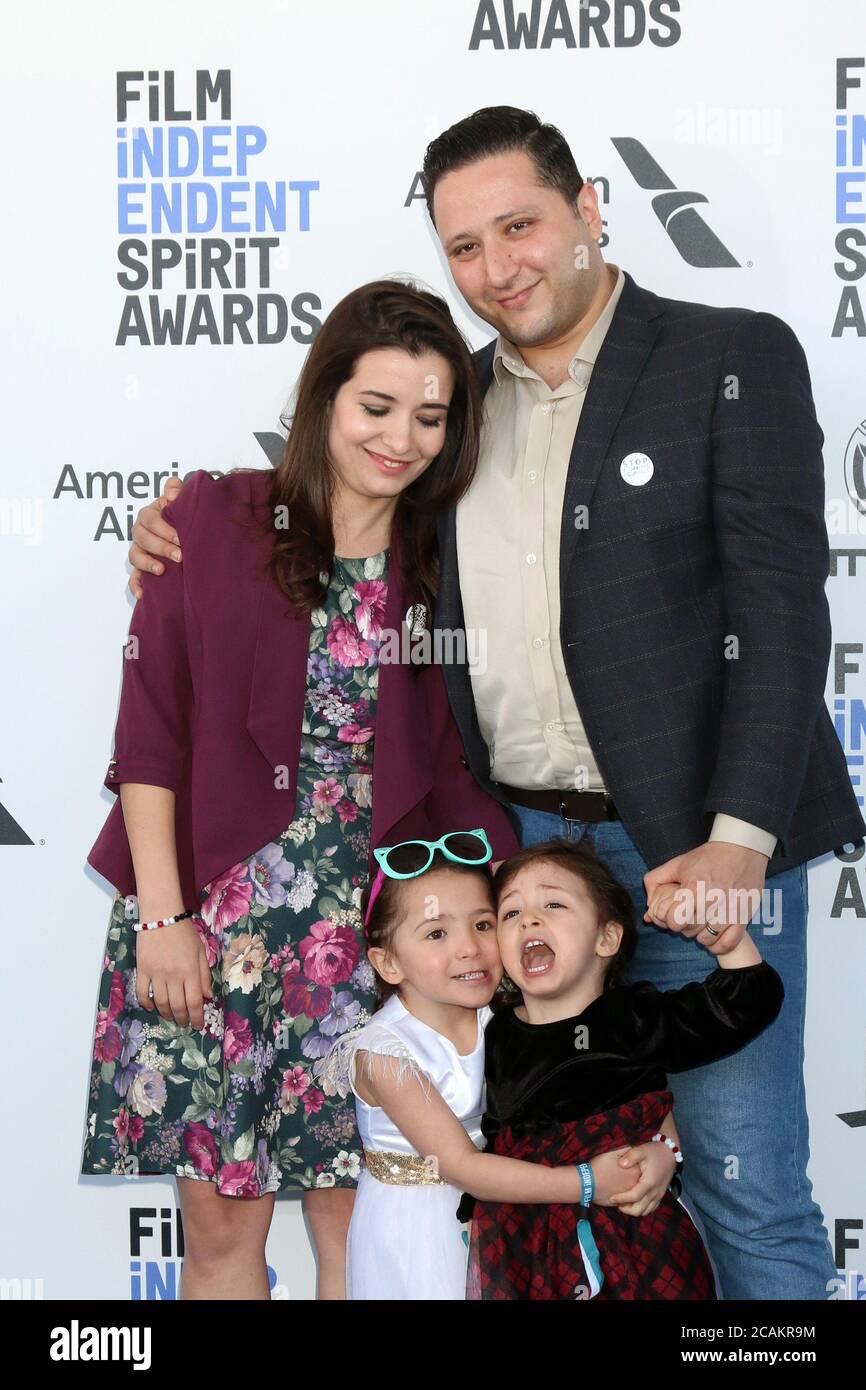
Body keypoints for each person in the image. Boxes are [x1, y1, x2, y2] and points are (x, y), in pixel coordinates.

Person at [122, 106, 866, 1298]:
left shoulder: (728, 353)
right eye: (461, 246)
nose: (494, 267)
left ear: (587, 211)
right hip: (513, 861)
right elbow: (332, 532)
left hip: (700, 853)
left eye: (518, 226)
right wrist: (181, 523)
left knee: (739, 1178)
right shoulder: (451, 411)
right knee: (527, 1186)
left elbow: (780, 613)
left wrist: (735, 843)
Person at [81, 279, 523, 1302]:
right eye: (375, 407)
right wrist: (163, 917)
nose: (399, 439)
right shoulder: (214, 515)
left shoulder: (445, 562)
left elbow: (456, 765)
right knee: (220, 1231)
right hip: (206, 925)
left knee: (356, 1229)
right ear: (324, 395)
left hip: (366, 934)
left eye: (428, 416)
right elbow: (150, 738)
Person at [321, 829, 681, 1299]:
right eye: (436, 933)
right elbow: (460, 1166)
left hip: (515, 1212)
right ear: (388, 964)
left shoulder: (510, 1017)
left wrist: (664, 1151)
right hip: (419, 1229)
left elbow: (618, 1080)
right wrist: (586, 1182)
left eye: (483, 924)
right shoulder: (385, 1052)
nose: (469, 947)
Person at [457, 837, 784, 1300]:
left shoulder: (632, 1018)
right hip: (525, 1247)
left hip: (635, 1242)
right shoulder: (492, 1033)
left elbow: (747, 1002)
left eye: (554, 903)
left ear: (606, 938)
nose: (529, 919)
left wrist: (715, 927)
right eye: (511, 913)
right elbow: (490, 1133)